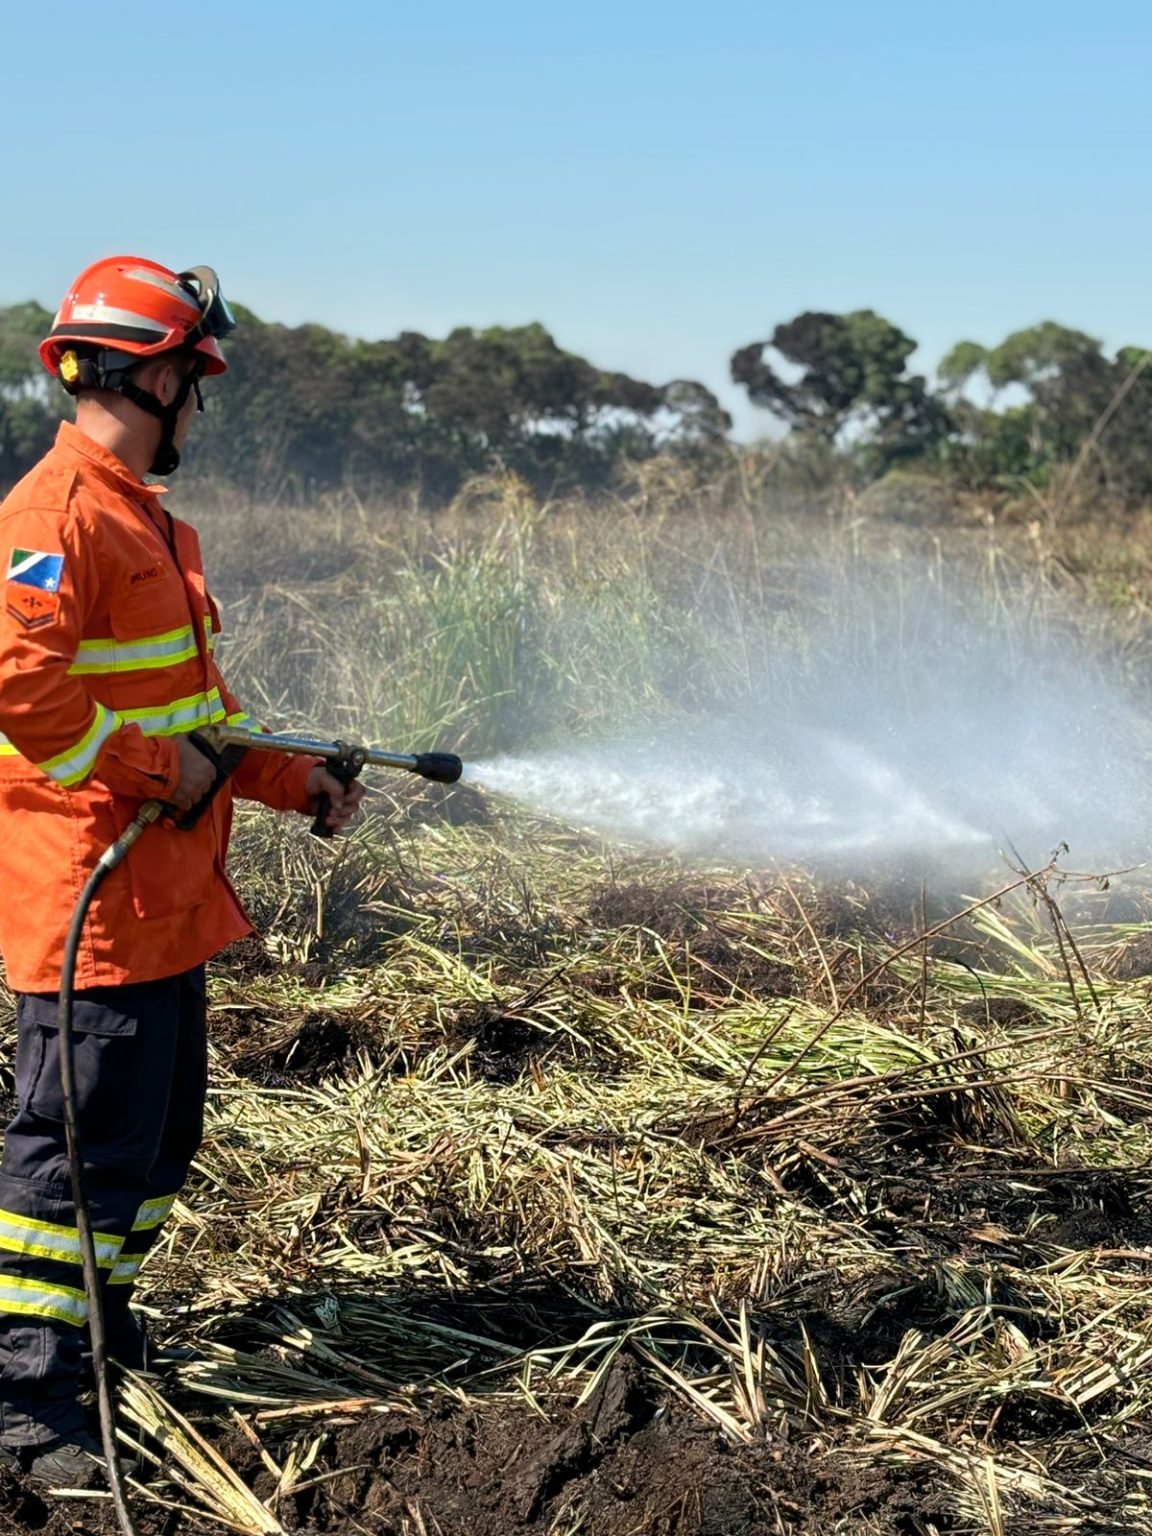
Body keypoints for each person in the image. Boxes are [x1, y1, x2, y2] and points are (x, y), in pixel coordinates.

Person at [0, 257, 364, 1487]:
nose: (199, 409)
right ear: (148, 373)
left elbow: (200, 718)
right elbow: (22, 693)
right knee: (72, 1160)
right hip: (89, 910)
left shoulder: (144, 519)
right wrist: (163, 774)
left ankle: (95, 1344)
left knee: (153, 1152)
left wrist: (286, 777)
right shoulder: (53, 522)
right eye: (195, 382)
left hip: (163, 907)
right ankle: (30, 1404)